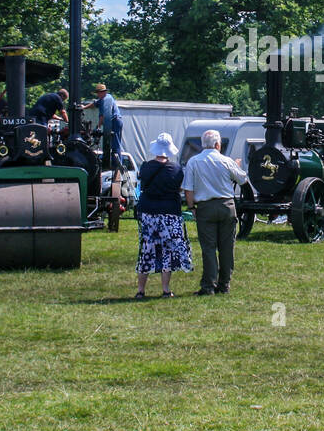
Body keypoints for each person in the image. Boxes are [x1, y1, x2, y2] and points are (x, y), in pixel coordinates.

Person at [181, 128, 249, 295]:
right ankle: (224, 284)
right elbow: (242, 179)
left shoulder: (193, 162)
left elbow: (188, 189)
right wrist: (236, 166)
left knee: (209, 248)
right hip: (226, 206)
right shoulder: (226, 161)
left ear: (203, 145)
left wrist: (191, 208)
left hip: (205, 207)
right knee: (227, 247)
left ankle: (209, 285)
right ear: (218, 144)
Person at [134, 132, 192, 299]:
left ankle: (141, 290)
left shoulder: (145, 167)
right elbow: (179, 188)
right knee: (167, 251)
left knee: (146, 249)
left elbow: (142, 184)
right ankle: (166, 289)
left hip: (149, 212)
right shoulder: (176, 169)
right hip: (170, 212)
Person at [81, 83, 124, 168]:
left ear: (103, 92)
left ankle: (117, 166)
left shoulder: (105, 101)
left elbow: (102, 116)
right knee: (113, 144)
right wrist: (84, 107)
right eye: (97, 92)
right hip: (116, 121)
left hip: (115, 121)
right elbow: (94, 103)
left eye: (99, 92)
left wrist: (98, 127)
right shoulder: (107, 97)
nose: (98, 94)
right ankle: (114, 164)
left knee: (115, 144)